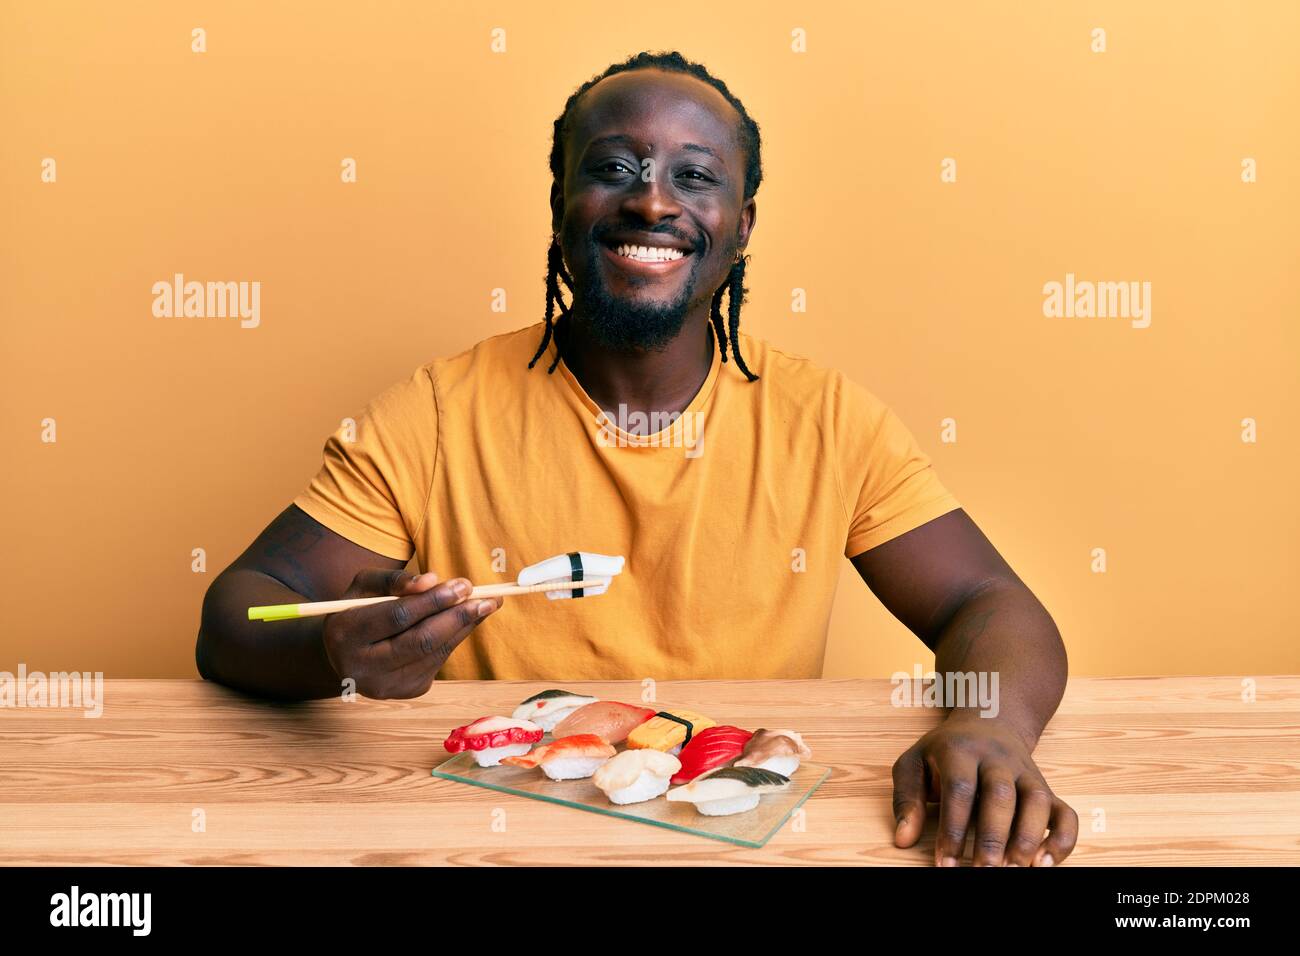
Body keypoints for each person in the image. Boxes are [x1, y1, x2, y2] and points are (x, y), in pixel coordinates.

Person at [196, 50, 1076, 867]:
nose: (653, 202)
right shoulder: (435, 411)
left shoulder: (828, 420)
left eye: (695, 178)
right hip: (495, 839)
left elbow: (987, 601)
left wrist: (990, 725)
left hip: (730, 832)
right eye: (614, 169)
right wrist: (335, 652)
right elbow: (238, 613)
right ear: (559, 205)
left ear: (741, 226)